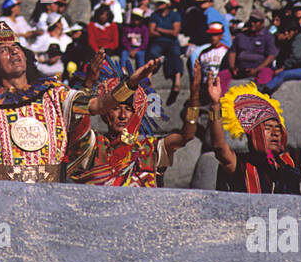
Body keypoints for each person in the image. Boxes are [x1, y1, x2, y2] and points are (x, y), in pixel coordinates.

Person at [0, 19, 159, 183]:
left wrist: (131, 83)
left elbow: (98, 106)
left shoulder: (53, 92)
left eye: (16, 47)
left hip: (49, 193)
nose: (13, 52)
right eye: (4, 50)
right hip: (0, 193)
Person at [68, 62, 202, 187]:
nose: (122, 115)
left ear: (136, 114)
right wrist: (88, 84)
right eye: (115, 108)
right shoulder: (95, 145)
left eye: (129, 109)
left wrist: (195, 97)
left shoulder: (150, 149)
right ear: (105, 113)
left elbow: (187, 135)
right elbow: (77, 121)